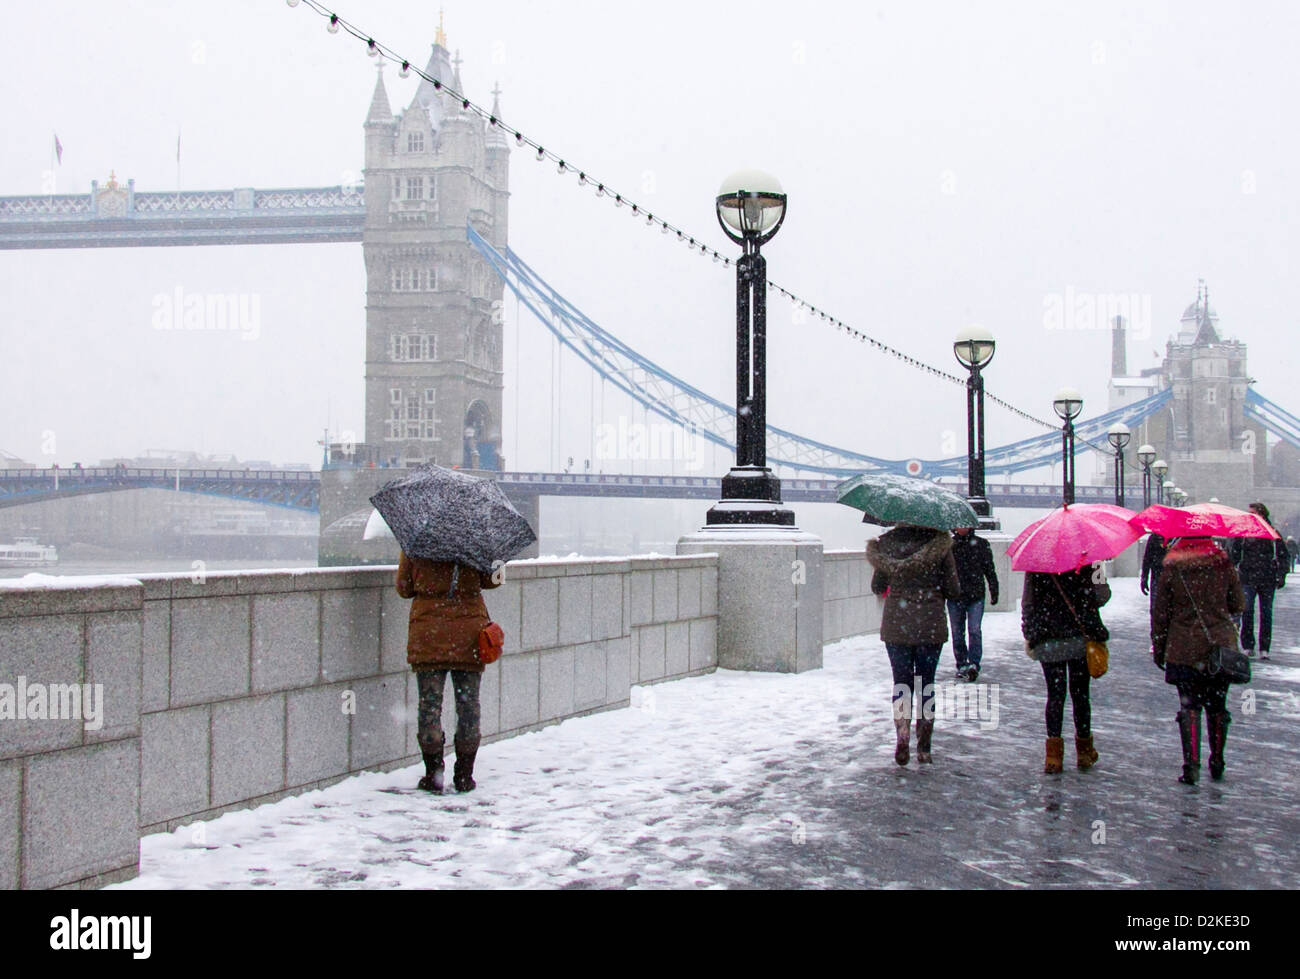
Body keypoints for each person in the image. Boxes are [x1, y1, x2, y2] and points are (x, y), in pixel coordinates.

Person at [395, 552, 501, 792]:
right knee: (468, 706)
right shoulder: (474, 543)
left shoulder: (416, 545)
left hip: (428, 635)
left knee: (430, 705)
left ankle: (433, 774)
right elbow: (493, 581)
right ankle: (464, 775)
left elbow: (403, 588)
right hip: (468, 636)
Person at [1151, 536, 1244, 784]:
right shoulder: (1223, 564)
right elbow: (1238, 604)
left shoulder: (1172, 568)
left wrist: (1160, 648)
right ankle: (1217, 760)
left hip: (1184, 647)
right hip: (1218, 648)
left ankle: (1191, 765)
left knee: (1189, 705)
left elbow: (1160, 613)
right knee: (1217, 705)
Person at [867, 524, 962, 766]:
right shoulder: (940, 545)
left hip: (897, 624)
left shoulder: (887, 545)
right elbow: (953, 589)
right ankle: (924, 745)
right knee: (925, 683)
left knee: (902, 682)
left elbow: (877, 586)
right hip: (930, 624)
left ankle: (902, 732)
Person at [1021, 563, 1110, 773]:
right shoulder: (1089, 559)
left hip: (1048, 636)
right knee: (1080, 695)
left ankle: (1054, 756)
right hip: (1079, 635)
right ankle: (1085, 752)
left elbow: (1028, 603)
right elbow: (1102, 596)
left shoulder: (1037, 562)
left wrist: (1030, 630)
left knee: (1055, 695)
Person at [1227, 502, 1288, 660]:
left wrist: (1281, 575)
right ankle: (1248, 645)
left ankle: (1264, 648)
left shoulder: (1272, 534)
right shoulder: (1244, 534)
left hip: (1267, 579)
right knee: (1247, 610)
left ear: (1262, 515)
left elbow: (1283, 556)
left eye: (1253, 513)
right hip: (1247, 577)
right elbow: (1234, 555)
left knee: (1266, 613)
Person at [947, 527, 999, 683]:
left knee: (974, 629)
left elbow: (989, 569)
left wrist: (994, 589)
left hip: (975, 594)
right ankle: (962, 663)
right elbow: (943, 572)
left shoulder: (981, 544)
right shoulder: (949, 545)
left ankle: (974, 663)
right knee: (957, 632)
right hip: (955, 595)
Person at [1140, 532, 1168, 613]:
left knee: (1158, 608)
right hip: (1159, 576)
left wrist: (1144, 578)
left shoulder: (1176, 538)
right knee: (1158, 608)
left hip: (1161, 576)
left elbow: (1147, 559)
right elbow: (1147, 559)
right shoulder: (1155, 538)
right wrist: (1144, 578)